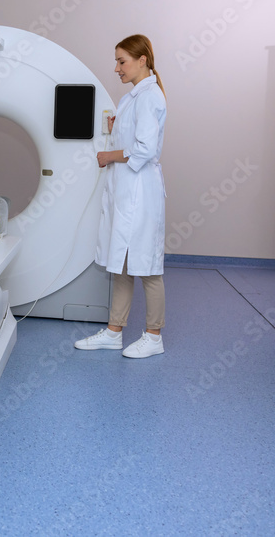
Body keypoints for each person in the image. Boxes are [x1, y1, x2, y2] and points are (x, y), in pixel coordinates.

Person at [76, 34, 168, 358]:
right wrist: (117, 127)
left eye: (121, 61)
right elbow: (135, 137)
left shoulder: (150, 96)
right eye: (116, 61)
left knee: (148, 267)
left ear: (142, 60)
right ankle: (115, 332)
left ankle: (154, 337)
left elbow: (143, 150)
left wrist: (109, 155)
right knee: (124, 263)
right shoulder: (133, 97)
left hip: (141, 194)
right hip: (128, 191)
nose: (116, 68)